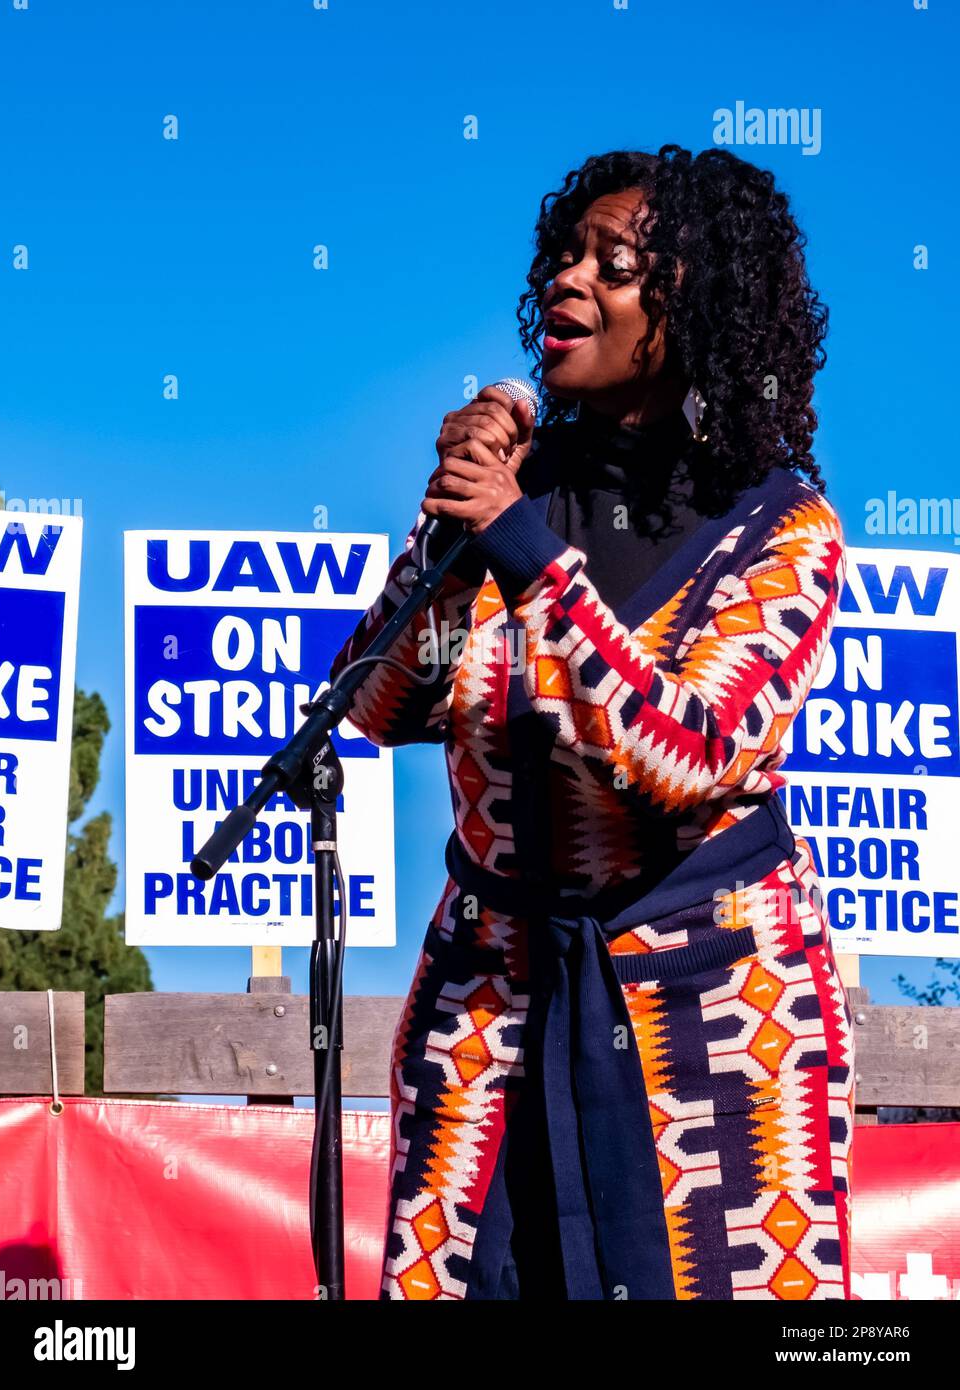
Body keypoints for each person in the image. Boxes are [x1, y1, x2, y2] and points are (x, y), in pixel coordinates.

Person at [330, 144, 854, 1301]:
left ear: (695, 308)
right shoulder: (514, 495)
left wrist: (523, 548)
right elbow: (377, 703)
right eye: (562, 257)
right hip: (492, 1012)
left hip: (711, 1024)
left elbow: (692, 747)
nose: (568, 282)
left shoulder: (778, 530)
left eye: (610, 265)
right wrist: (450, 541)